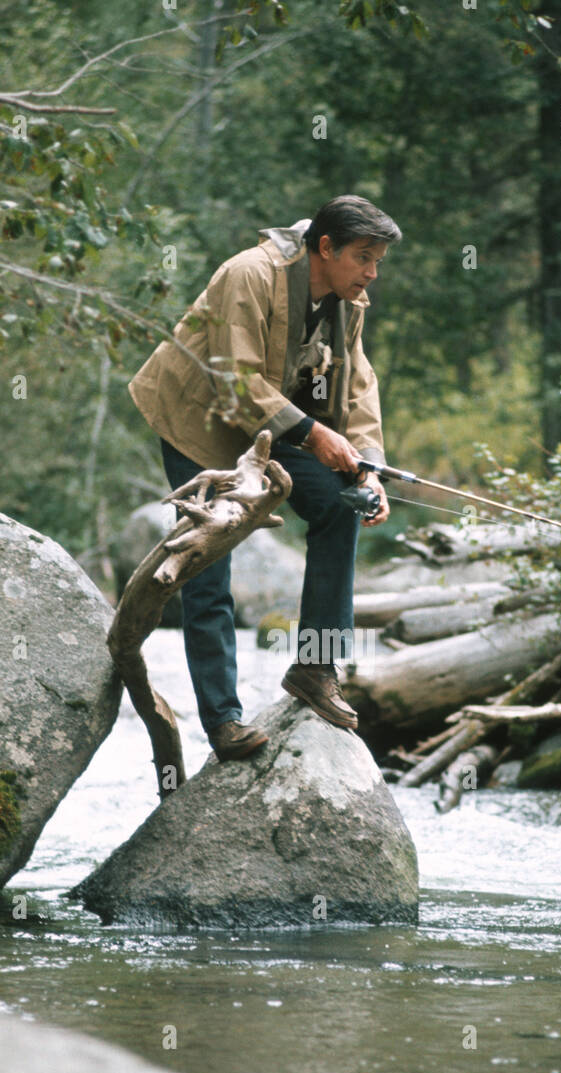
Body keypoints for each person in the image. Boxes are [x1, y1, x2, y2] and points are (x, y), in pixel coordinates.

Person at [127, 194, 401, 760]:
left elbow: (357, 384)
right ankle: (224, 721)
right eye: (365, 258)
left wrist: (368, 464)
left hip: (276, 423)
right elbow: (234, 381)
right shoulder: (248, 274)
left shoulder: (350, 298)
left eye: (378, 261)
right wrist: (316, 435)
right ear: (326, 248)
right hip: (199, 421)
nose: (373, 273)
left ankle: (314, 668)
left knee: (340, 503)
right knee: (208, 566)